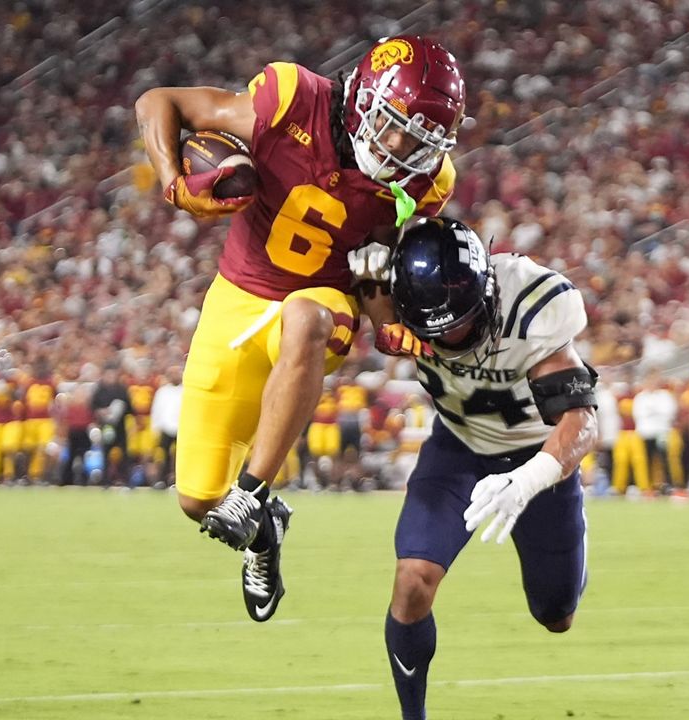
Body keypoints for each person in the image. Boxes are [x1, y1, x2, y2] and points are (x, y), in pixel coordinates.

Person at [135, 34, 463, 621]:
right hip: (237, 296)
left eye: (420, 141)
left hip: (322, 307)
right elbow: (158, 101)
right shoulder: (289, 98)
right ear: (363, 98)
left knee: (305, 317)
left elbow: (374, 265)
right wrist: (173, 182)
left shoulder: (426, 181)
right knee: (195, 498)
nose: (400, 149)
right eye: (393, 126)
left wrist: (388, 318)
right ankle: (266, 530)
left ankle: (254, 493)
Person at [351, 218, 597, 720]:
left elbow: (582, 422)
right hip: (458, 446)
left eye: (463, 321)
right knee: (413, 577)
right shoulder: (393, 293)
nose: (455, 337)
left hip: (537, 453)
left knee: (556, 614)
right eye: (438, 330)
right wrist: (365, 283)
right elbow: (375, 315)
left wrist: (529, 479)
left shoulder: (530, 304)